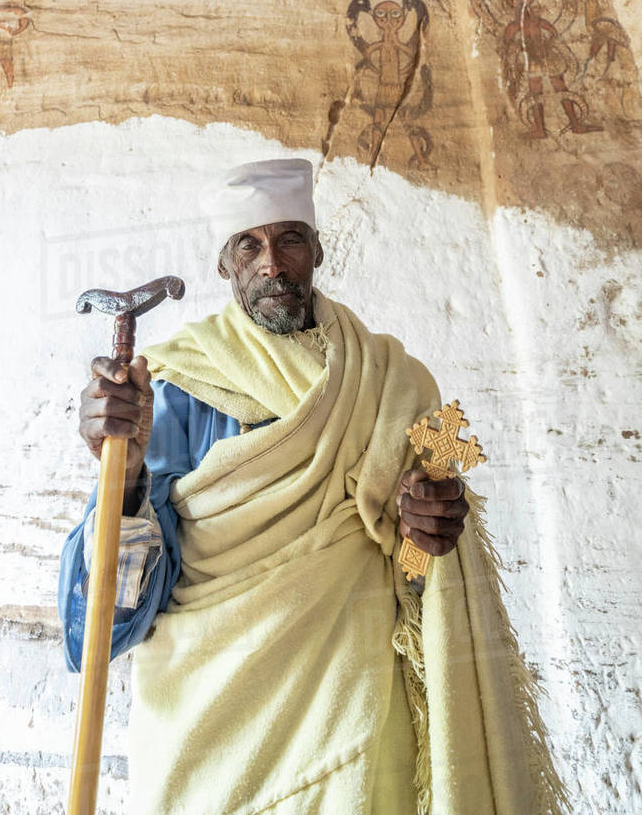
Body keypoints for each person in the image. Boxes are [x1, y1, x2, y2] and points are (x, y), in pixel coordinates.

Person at [59, 159, 566, 815]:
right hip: (208, 737)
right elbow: (101, 620)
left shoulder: (402, 383)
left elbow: (418, 571)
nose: (272, 262)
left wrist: (429, 538)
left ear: (317, 251)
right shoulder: (171, 389)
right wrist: (123, 475)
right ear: (225, 266)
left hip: (356, 726)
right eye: (250, 244)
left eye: (289, 239)